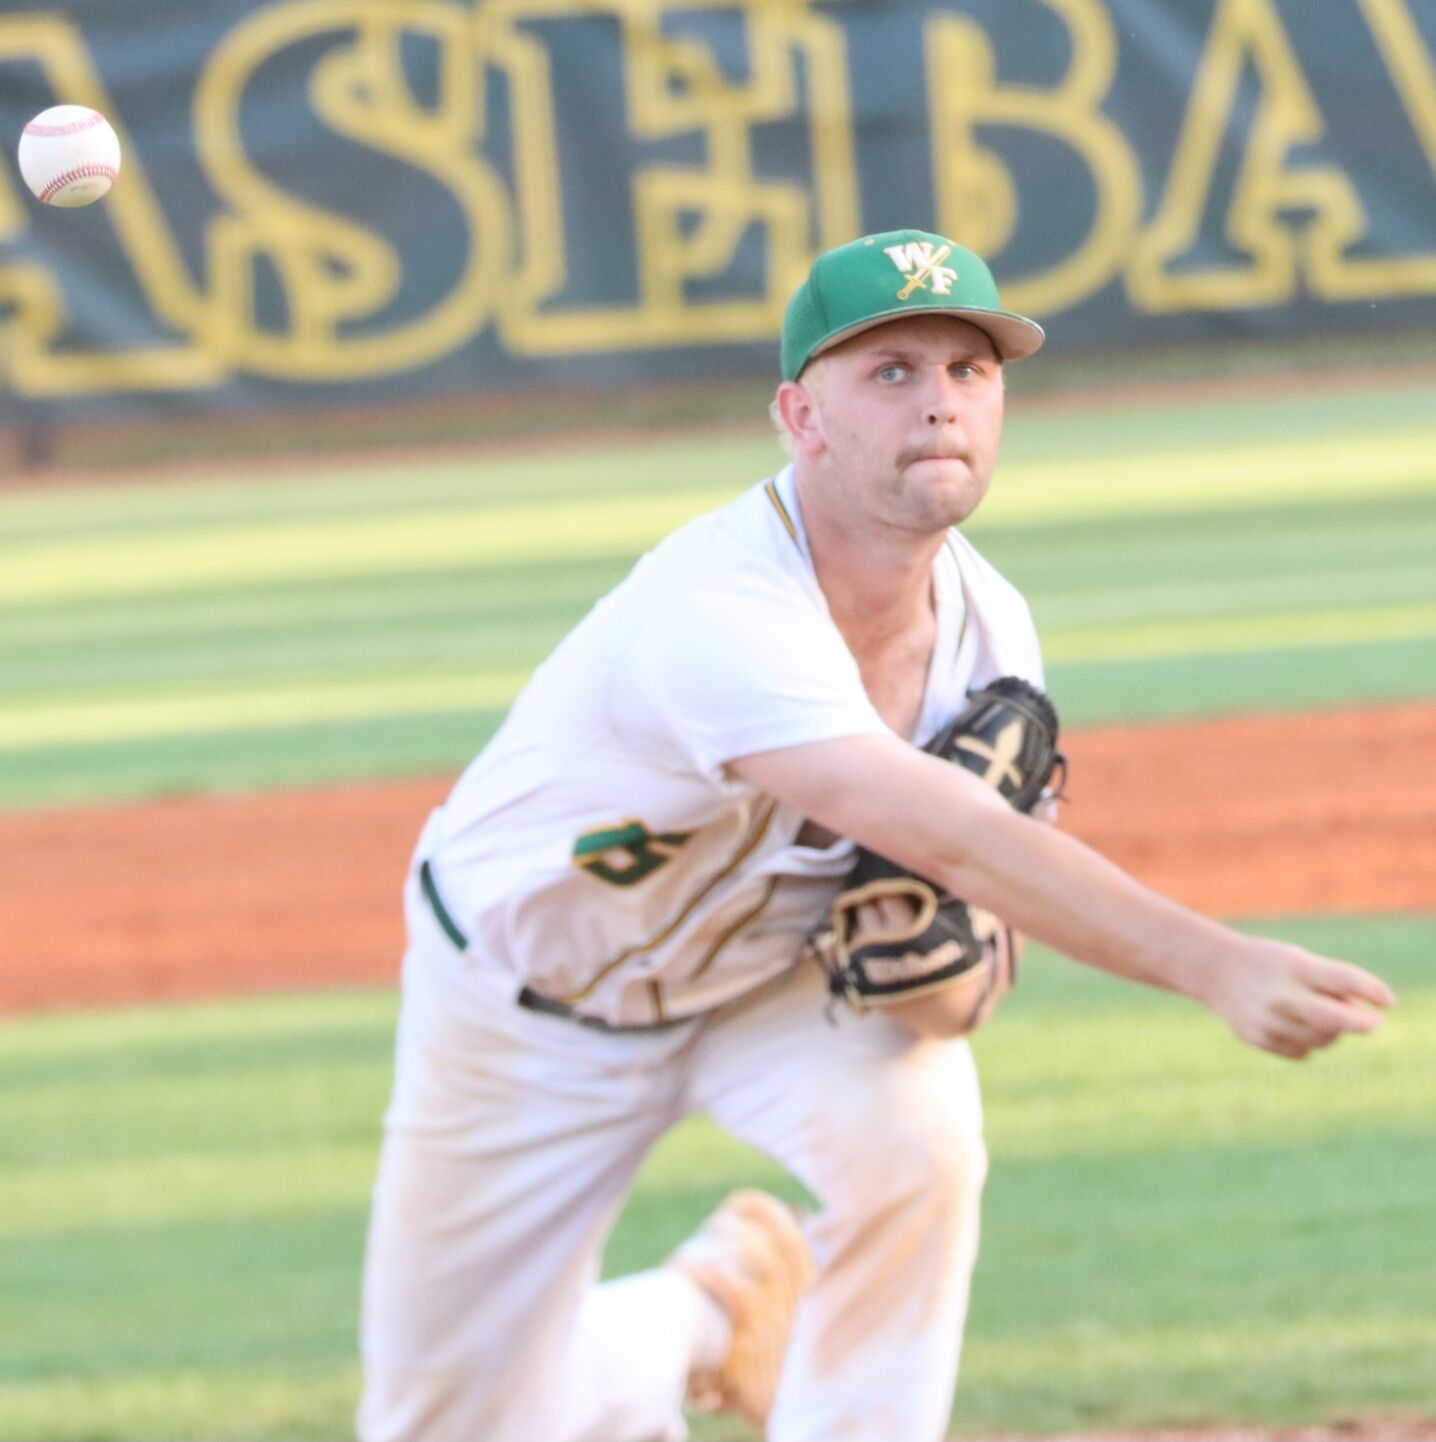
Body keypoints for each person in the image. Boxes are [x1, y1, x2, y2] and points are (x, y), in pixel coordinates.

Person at [357, 229, 1394, 1442]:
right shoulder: (717, 609)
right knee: (449, 1422)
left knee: (920, 1140)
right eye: (891, 371)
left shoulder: (988, 630)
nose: (941, 404)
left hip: (764, 986)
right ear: (801, 415)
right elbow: (949, 833)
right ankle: (711, 1306)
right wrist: (1211, 961)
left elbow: (971, 910)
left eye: (971, 371)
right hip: (524, 1010)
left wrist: (961, 979)